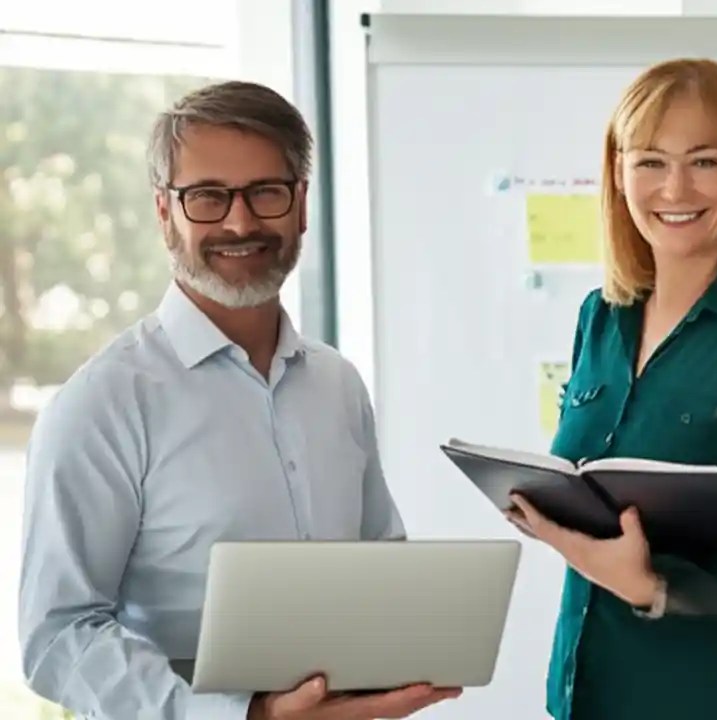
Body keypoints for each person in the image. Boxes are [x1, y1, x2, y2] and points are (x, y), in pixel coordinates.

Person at [18, 81, 460, 720]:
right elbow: (58, 636)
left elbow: (378, 562)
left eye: (266, 192)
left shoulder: (336, 385)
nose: (240, 222)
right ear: (164, 212)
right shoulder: (103, 403)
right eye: (207, 197)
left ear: (301, 204)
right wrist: (243, 716)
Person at [504, 59, 717, 720]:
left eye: (706, 161)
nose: (676, 187)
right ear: (617, 172)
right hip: (590, 693)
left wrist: (656, 587)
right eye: (652, 161)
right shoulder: (600, 318)